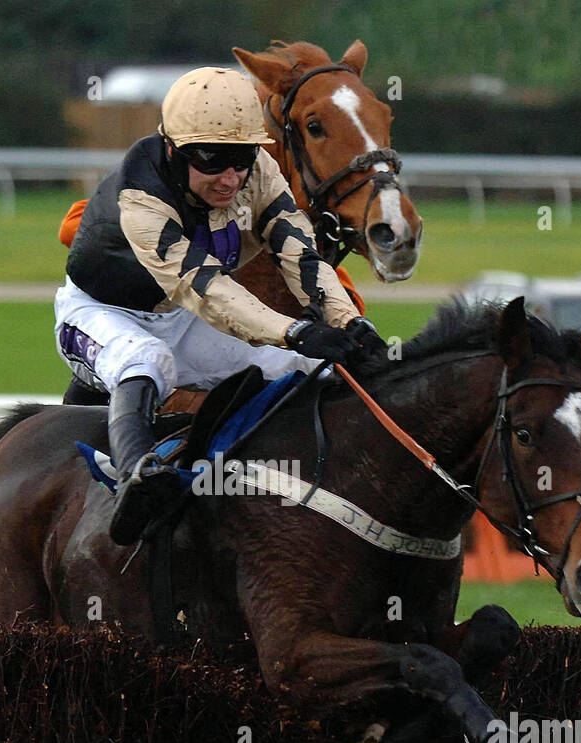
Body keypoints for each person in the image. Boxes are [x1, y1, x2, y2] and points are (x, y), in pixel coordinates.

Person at [54, 66, 387, 545]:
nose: (231, 178)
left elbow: (300, 254)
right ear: (173, 149)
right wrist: (294, 330)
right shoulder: (142, 196)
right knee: (149, 360)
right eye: (212, 159)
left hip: (178, 317)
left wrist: (350, 323)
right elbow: (209, 291)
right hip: (101, 315)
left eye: (242, 158)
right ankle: (136, 478)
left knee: (312, 365)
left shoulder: (259, 173)